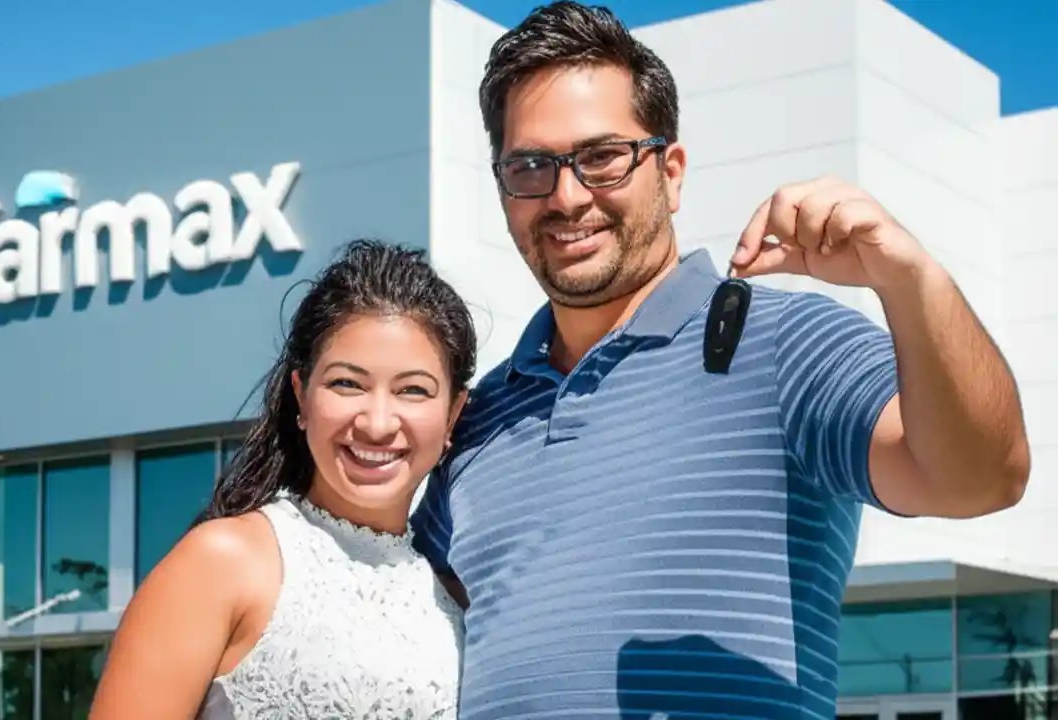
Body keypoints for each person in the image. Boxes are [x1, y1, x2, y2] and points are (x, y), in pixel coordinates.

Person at [410, 2, 1032, 718]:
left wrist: (911, 281)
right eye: (531, 166)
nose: (567, 196)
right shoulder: (479, 416)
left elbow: (983, 478)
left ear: (670, 173)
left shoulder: (785, 346)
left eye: (603, 157)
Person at [90, 239, 475, 719]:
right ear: (301, 395)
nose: (377, 422)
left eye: (412, 390)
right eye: (347, 384)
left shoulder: (457, 597)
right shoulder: (223, 561)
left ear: (453, 414)